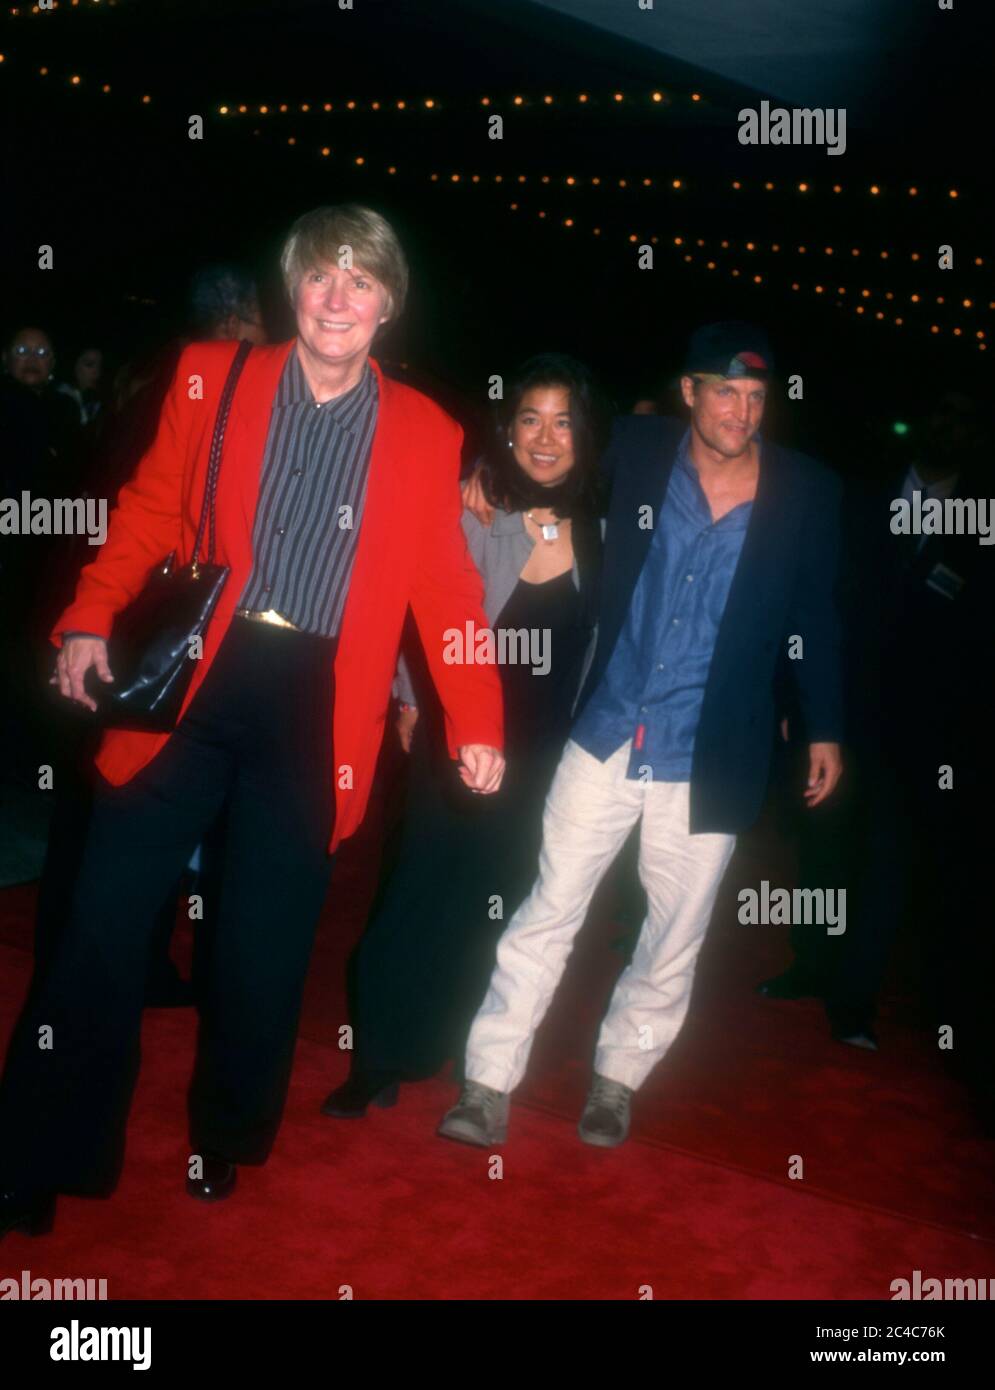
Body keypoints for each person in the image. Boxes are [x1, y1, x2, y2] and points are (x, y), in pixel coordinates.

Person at [0, 203, 505, 1240]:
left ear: (386, 306)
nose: (336, 297)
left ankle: (223, 1133)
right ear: (292, 288)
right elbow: (147, 504)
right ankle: (41, 1150)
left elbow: (448, 590)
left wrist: (474, 716)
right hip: (197, 672)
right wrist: (90, 614)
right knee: (99, 921)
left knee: (261, 944)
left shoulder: (424, 429)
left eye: (360, 281)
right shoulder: (212, 375)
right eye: (320, 275)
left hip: (319, 699)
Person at [439, 321, 844, 1150]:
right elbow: (550, 449)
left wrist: (824, 727)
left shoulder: (804, 491)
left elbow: (817, 618)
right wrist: (487, 471)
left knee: (673, 935)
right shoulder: (637, 448)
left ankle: (617, 1080)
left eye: (757, 397)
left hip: (710, 754)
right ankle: (486, 1083)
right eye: (724, 392)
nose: (740, 411)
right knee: (547, 908)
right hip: (604, 731)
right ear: (688, 393)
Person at [322, 354, 606, 1118]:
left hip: (545, 756)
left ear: (585, 432)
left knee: (497, 901)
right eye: (528, 419)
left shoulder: (606, 526)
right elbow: (424, 606)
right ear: (505, 429)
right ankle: (377, 1057)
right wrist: (410, 700)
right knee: (417, 886)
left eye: (563, 421)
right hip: (458, 731)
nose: (545, 438)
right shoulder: (474, 506)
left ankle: (450, 1042)